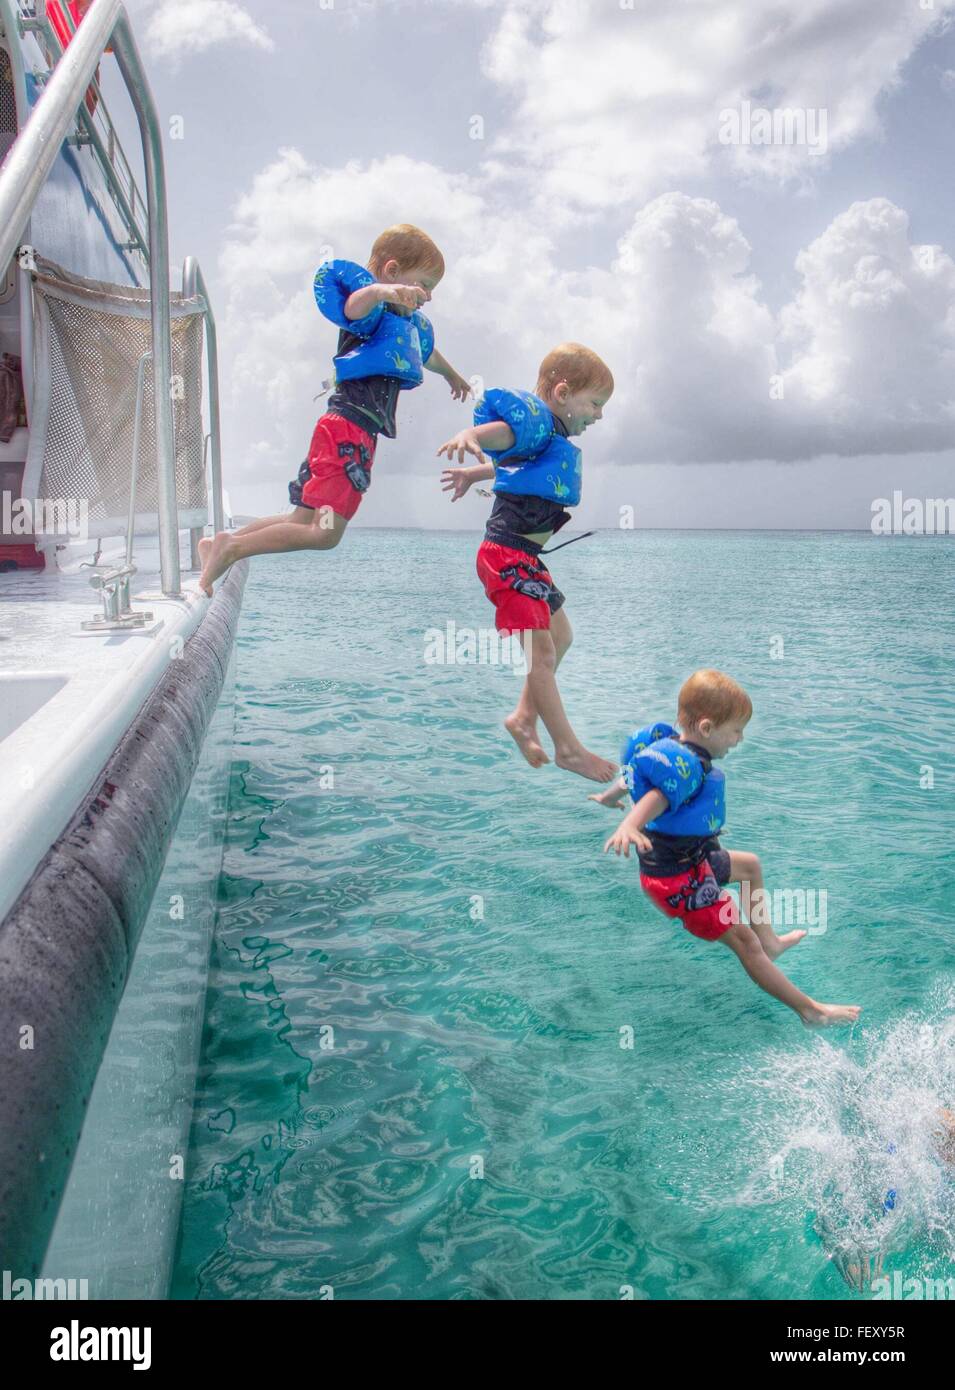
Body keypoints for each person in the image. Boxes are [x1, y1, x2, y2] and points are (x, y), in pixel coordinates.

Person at [198, 224, 470, 595]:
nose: (428, 297)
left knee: (302, 517)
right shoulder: (368, 309)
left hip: (339, 430)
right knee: (324, 533)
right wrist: (386, 292)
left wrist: (453, 376)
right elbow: (353, 304)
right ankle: (233, 549)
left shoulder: (403, 323)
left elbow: (427, 353)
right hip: (348, 434)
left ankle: (221, 542)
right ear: (392, 272)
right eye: (424, 284)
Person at [596, 668, 861, 1026]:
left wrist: (608, 795)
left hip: (695, 861)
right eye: (736, 730)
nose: (739, 739)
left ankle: (771, 942)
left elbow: (632, 777)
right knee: (744, 944)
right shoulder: (687, 767)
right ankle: (810, 1010)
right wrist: (629, 823)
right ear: (706, 728)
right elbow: (655, 797)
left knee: (749, 866)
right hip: (678, 883)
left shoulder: (673, 747)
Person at [438, 344, 617, 783]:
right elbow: (501, 437)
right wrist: (472, 437)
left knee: (562, 635)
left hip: (526, 559)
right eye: (594, 404)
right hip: (505, 556)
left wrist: (472, 475)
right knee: (541, 653)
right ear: (561, 392)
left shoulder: (545, 439)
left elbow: (512, 464)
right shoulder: (533, 423)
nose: (598, 415)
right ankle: (568, 749)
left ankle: (522, 717)